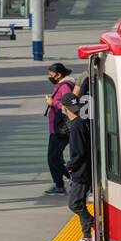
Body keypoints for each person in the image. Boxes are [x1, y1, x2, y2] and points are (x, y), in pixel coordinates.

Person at [60, 91, 94, 241]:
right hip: (84, 169)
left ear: (64, 108)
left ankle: (95, 229)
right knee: (78, 202)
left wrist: (69, 166)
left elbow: (79, 152)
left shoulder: (76, 127)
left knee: (75, 204)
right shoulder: (82, 122)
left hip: (81, 172)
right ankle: (87, 238)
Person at [43, 62, 75, 194]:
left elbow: (66, 105)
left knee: (53, 157)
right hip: (56, 128)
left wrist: (52, 103)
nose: (50, 77)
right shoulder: (61, 85)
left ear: (59, 74)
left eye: (51, 75)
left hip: (61, 129)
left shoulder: (65, 86)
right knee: (54, 157)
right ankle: (59, 184)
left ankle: (73, 178)